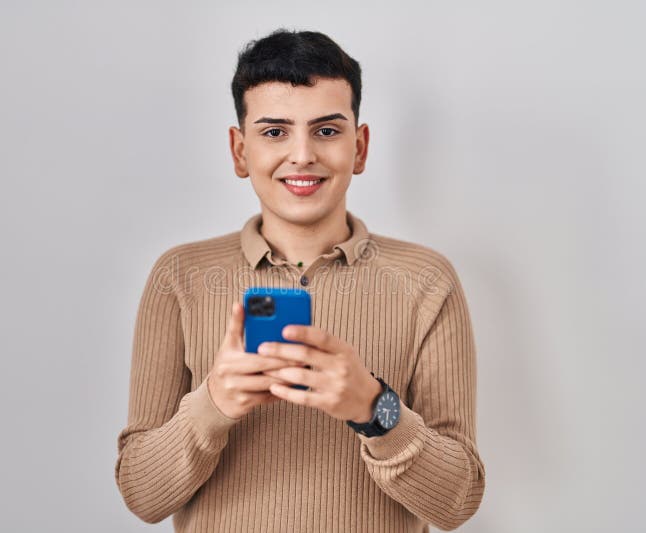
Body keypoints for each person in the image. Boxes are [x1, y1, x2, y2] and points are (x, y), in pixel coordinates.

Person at [114, 28, 485, 532]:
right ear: (240, 151)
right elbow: (141, 495)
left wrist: (375, 409)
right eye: (274, 132)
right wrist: (212, 405)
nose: (303, 154)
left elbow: (458, 501)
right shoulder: (179, 277)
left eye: (327, 130)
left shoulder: (427, 281)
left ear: (361, 146)